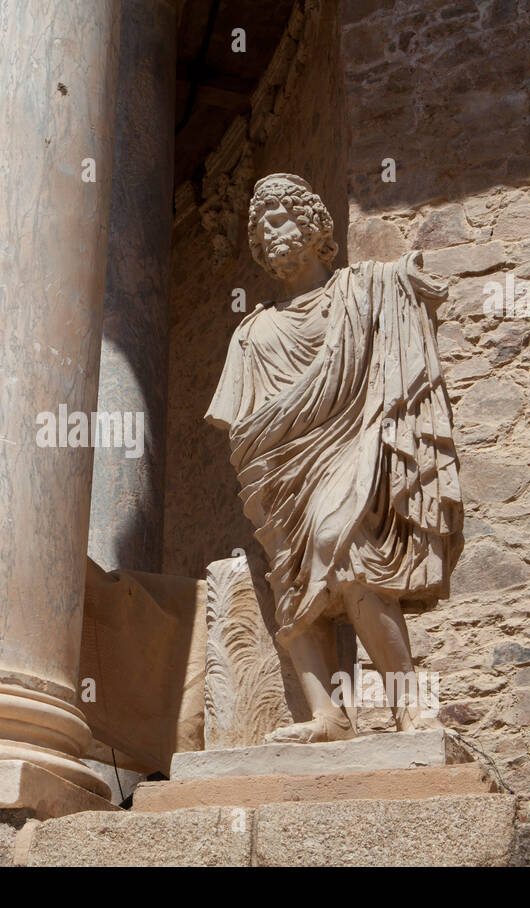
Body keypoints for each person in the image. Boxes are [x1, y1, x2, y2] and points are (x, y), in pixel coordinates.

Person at [206, 173, 463, 741]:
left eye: (277, 220)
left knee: (343, 550)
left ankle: (408, 706)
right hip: (277, 468)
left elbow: (404, 299)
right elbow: (242, 421)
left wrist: (408, 281)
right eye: (260, 229)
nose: (269, 235)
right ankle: (327, 715)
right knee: (291, 583)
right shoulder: (252, 332)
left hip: (349, 442)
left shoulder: (361, 288)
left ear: (312, 225)